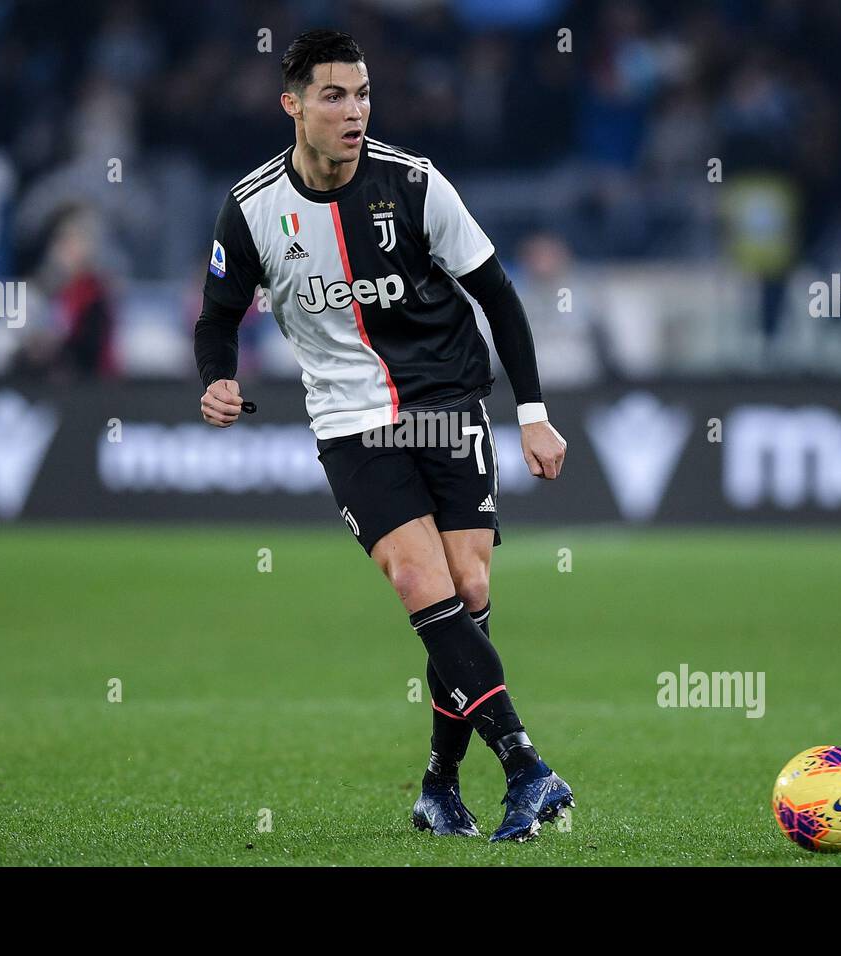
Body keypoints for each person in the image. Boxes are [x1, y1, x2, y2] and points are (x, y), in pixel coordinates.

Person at [193, 29, 572, 842]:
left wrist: (532, 413)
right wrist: (217, 378)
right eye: (334, 95)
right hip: (351, 423)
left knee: (468, 596)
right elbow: (217, 319)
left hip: (446, 403)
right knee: (418, 584)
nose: (355, 110)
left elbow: (499, 298)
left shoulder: (414, 183)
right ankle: (527, 768)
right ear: (292, 104)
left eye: (363, 94)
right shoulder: (253, 207)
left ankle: (439, 785)